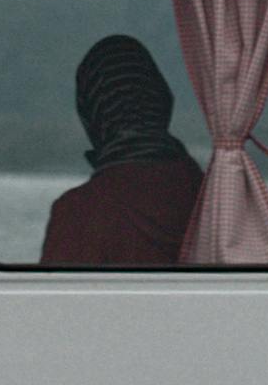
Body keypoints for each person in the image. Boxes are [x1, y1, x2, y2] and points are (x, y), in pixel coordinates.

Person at [39, 31, 203, 268]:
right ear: (161, 101)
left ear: (91, 113)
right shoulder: (213, 196)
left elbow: (57, 302)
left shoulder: (79, 212)